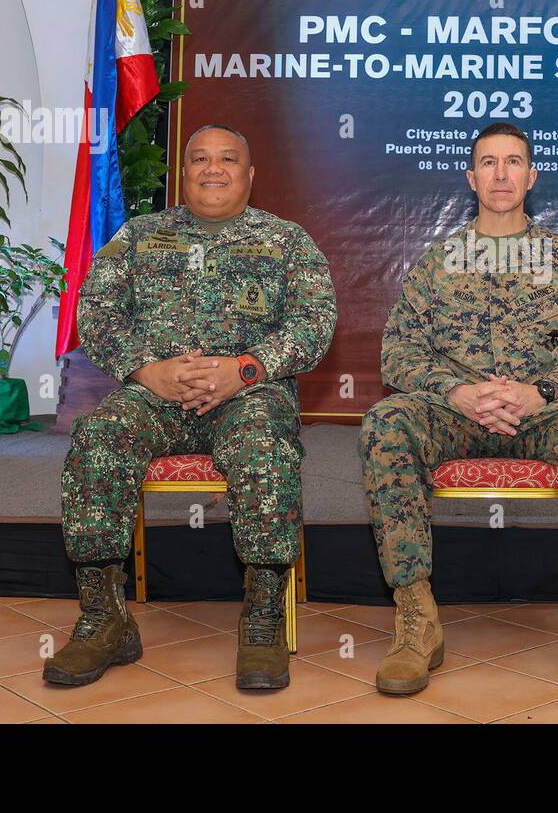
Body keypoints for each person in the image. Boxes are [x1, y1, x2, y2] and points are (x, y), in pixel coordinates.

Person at [360, 122, 558, 704]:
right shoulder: (440, 261)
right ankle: (417, 618)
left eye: (512, 162)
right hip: (457, 415)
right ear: (470, 177)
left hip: (542, 415)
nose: (500, 174)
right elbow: (399, 350)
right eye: (488, 163)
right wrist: (455, 392)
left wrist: (539, 391)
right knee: (387, 422)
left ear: (531, 176)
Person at [44, 124, 336, 691]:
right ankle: (106, 619)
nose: (213, 168)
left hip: (250, 396)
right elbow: (96, 313)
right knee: (100, 437)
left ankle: (263, 619)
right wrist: (146, 370)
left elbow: (315, 324)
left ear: (250, 175)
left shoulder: (287, 242)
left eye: (228, 159)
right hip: (155, 394)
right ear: (184, 173)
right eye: (199, 158)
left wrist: (242, 370)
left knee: (266, 451)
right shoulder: (138, 238)